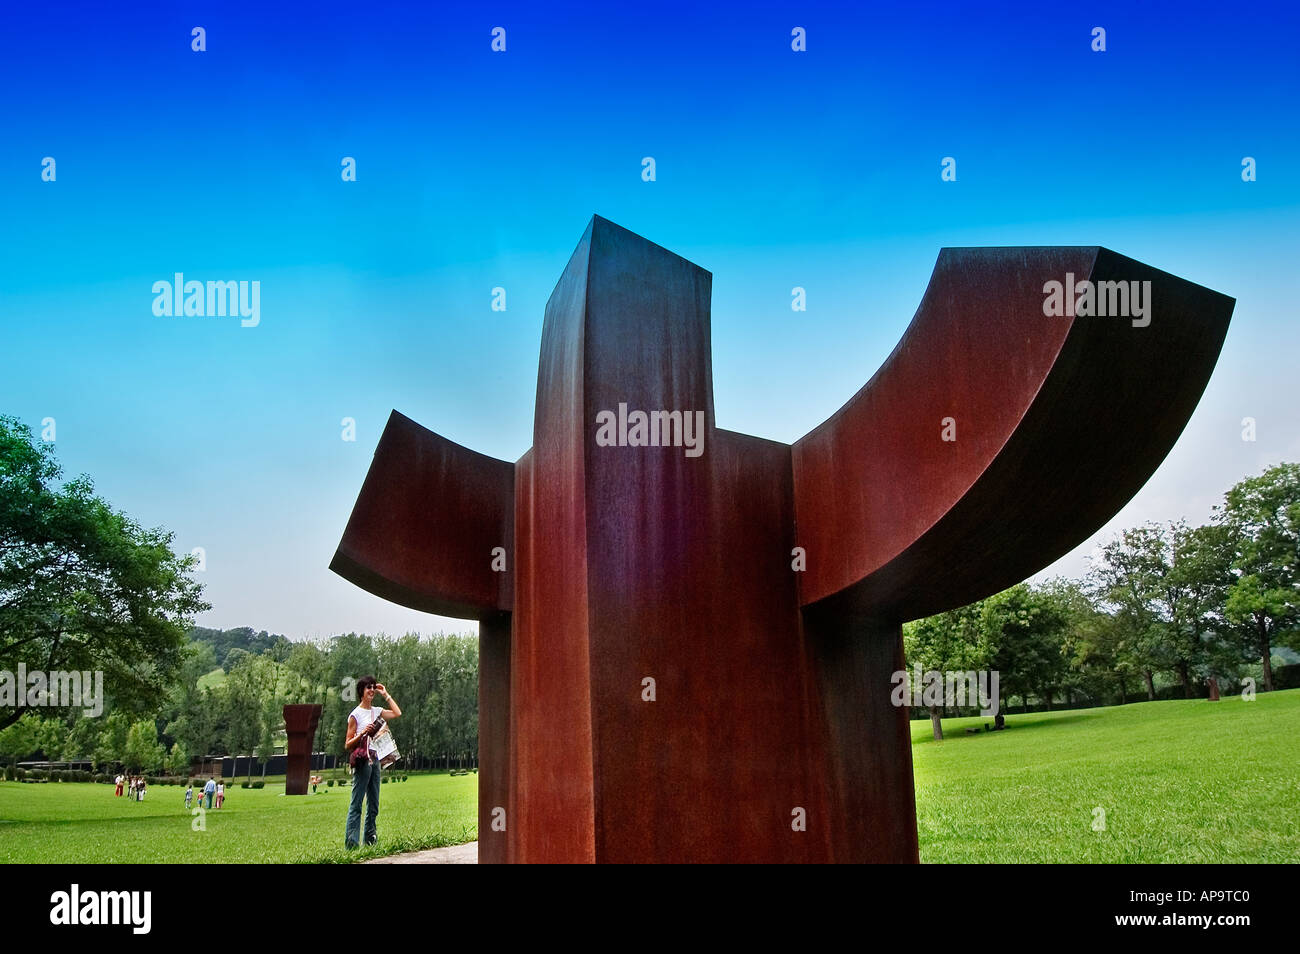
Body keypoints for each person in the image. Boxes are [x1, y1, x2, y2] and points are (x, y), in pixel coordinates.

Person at [344, 676, 401, 848]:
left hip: (375, 759)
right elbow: (347, 744)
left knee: (374, 803)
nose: (371, 691)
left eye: (373, 688)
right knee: (357, 804)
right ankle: (352, 845)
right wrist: (362, 734)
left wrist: (385, 694)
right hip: (362, 761)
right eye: (368, 688)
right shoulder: (355, 715)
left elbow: (397, 713)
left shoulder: (376, 711)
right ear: (361, 691)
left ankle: (370, 841)